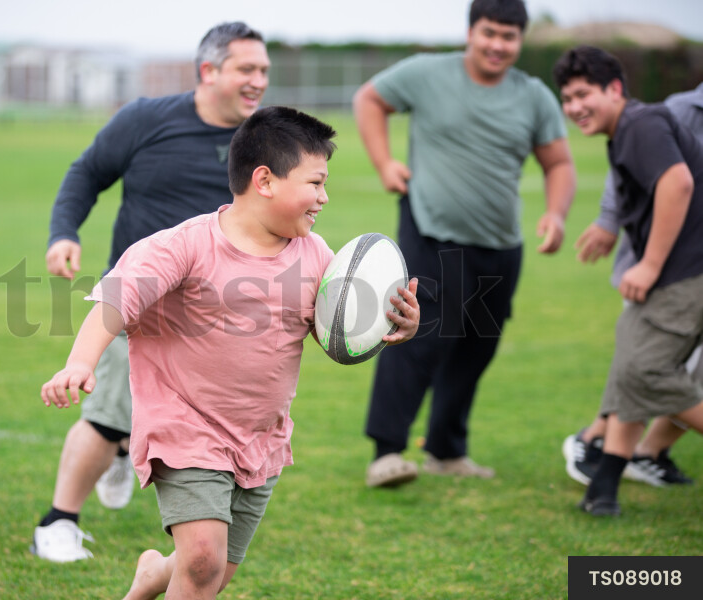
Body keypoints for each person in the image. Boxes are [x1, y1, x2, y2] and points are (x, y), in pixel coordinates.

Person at [41, 106, 421, 600]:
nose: (324, 198)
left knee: (212, 573)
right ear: (264, 180)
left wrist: (394, 325)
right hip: (185, 426)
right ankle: (169, 573)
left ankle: (152, 576)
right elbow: (117, 300)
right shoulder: (186, 245)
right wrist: (80, 361)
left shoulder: (316, 256)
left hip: (259, 435)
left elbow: (337, 336)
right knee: (202, 562)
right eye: (315, 183)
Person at [32, 22, 271, 563]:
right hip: (140, 302)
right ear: (209, 71)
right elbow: (87, 172)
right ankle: (57, 523)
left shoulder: (264, 140)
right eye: (247, 69)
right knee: (111, 410)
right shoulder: (147, 120)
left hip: (225, 315)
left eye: (264, 71)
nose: (259, 81)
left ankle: (130, 452)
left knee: (217, 422)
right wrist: (63, 234)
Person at [352, 0, 576, 487]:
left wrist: (556, 214)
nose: (498, 45)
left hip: (499, 244)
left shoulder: (534, 96)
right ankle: (386, 453)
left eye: (509, 36)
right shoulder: (427, 73)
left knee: (476, 347)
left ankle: (446, 451)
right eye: (490, 33)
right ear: (471, 32)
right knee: (417, 336)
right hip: (432, 231)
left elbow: (558, 163)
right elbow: (370, 99)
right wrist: (385, 163)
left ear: (520, 40)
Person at [554, 46, 703, 516]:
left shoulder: (639, 123)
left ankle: (605, 485)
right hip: (682, 273)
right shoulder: (627, 130)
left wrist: (650, 264)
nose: (575, 106)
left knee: (644, 372)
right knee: (630, 364)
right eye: (568, 98)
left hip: (686, 273)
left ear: (614, 89)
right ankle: (604, 489)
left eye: (583, 94)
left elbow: (677, 183)